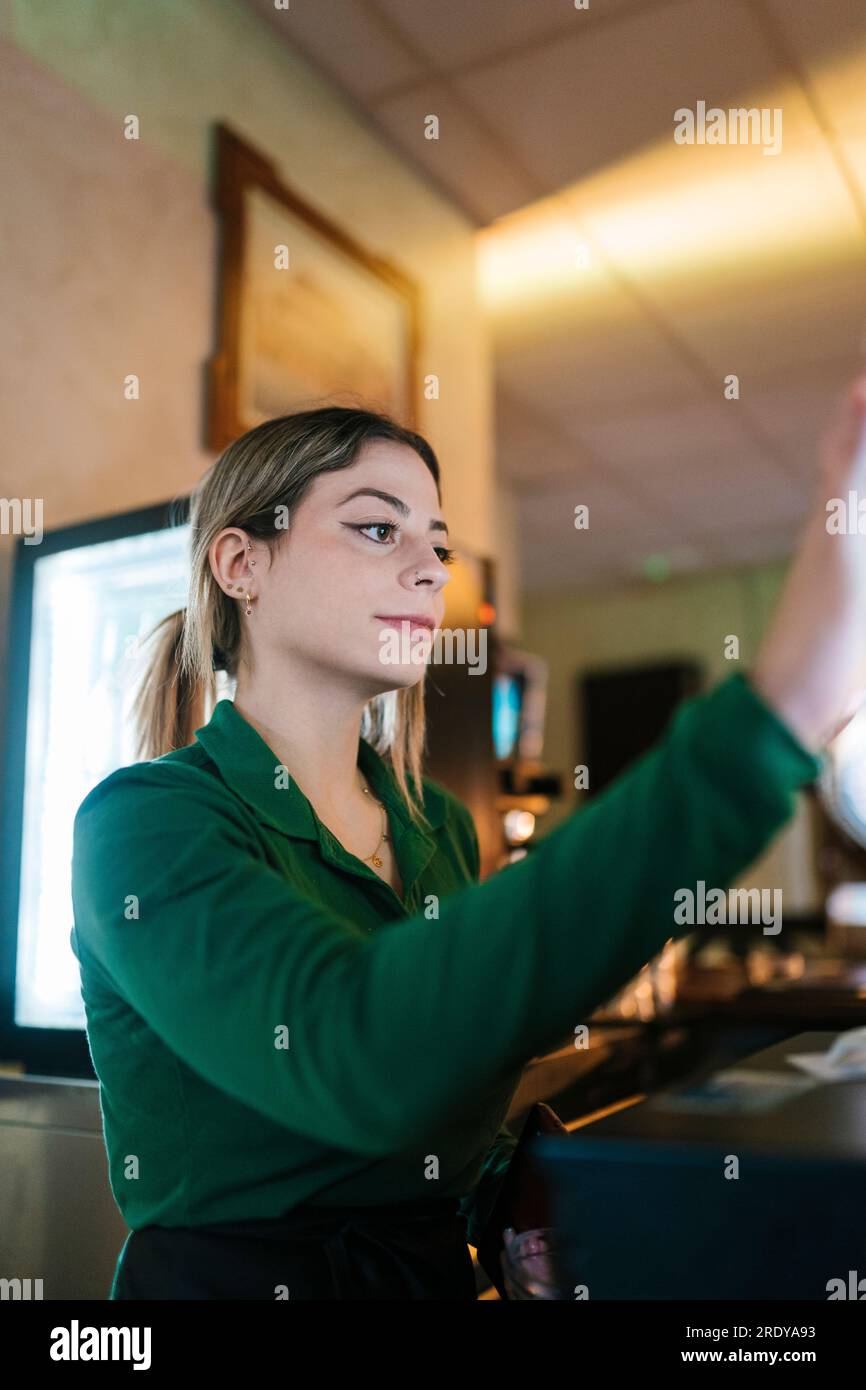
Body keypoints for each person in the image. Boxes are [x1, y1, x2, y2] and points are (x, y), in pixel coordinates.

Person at [70, 372, 866, 1300]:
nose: (429, 569)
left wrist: (516, 1187)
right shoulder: (145, 821)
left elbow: (454, 1098)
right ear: (241, 564)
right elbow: (359, 1054)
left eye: (437, 544)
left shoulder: (433, 825)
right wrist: (778, 711)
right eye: (378, 528)